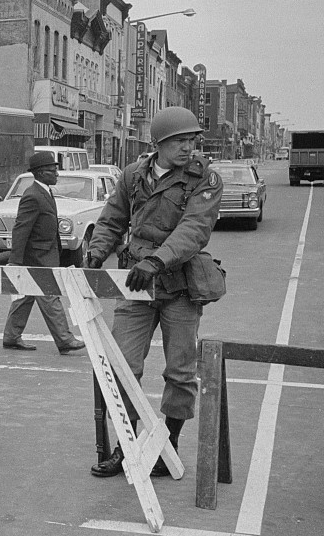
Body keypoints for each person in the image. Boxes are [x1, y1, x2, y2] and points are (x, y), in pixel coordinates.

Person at [85, 106, 222, 478]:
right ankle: (125, 446)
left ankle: (168, 445)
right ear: (157, 144)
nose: (187, 147)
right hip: (136, 285)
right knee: (122, 368)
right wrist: (97, 252)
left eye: (191, 140)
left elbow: (194, 229)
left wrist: (157, 261)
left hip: (178, 284)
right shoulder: (133, 175)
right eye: (178, 141)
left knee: (180, 371)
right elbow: (112, 218)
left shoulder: (204, 179)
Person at [2, 151, 86, 354]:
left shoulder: (45, 192)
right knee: (50, 295)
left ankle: (11, 337)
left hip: (46, 254)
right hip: (37, 257)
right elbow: (21, 228)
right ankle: (65, 339)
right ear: (40, 173)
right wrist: (15, 261)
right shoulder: (32, 196)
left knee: (26, 296)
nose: (57, 174)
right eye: (52, 170)